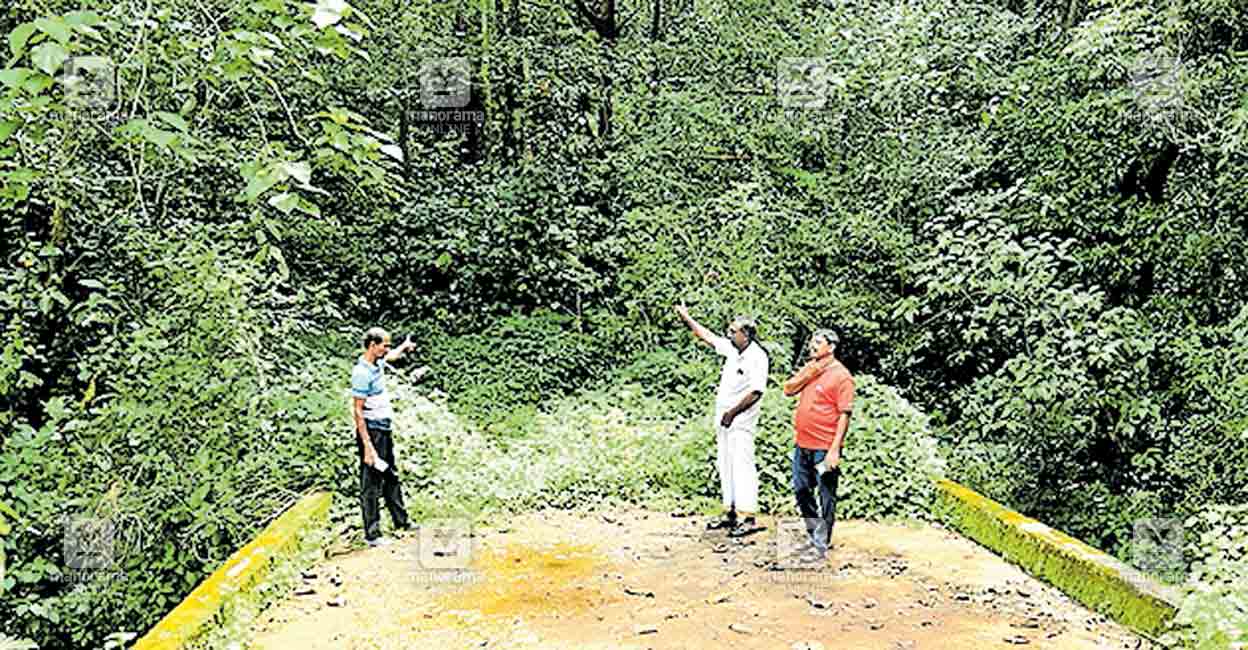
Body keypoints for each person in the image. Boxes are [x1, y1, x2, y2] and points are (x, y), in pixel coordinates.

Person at [675, 304, 770, 538]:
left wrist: (733, 413)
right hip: (724, 419)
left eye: (733, 331)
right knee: (725, 464)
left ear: (746, 334)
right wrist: (687, 317)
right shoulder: (731, 349)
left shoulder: (757, 356)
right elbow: (707, 336)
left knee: (742, 465)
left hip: (741, 420)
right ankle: (731, 512)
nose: (729, 334)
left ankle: (748, 516)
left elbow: (756, 392)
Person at [782, 328, 854, 562]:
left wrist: (835, 450)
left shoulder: (842, 376)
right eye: (812, 341)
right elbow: (788, 389)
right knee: (800, 489)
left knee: (826, 495)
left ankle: (822, 542)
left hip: (825, 446)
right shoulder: (810, 368)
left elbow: (844, 414)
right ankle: (814, 533)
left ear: (831, 347)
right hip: (802, 443)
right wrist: (810, 373)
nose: (812, 345)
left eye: (818, 342)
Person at [351, 327, 427, 547]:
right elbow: (358, 412)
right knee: (371, 483)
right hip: (372, 432)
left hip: (384, 429)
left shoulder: (378, 363)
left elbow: (391, 356)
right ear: (372, 345)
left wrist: (404, 347)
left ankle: (401, 521)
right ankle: (372, 534)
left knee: (391, 475)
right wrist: (368, 447)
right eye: (384, 345)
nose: (387, 349)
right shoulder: (362, 373)